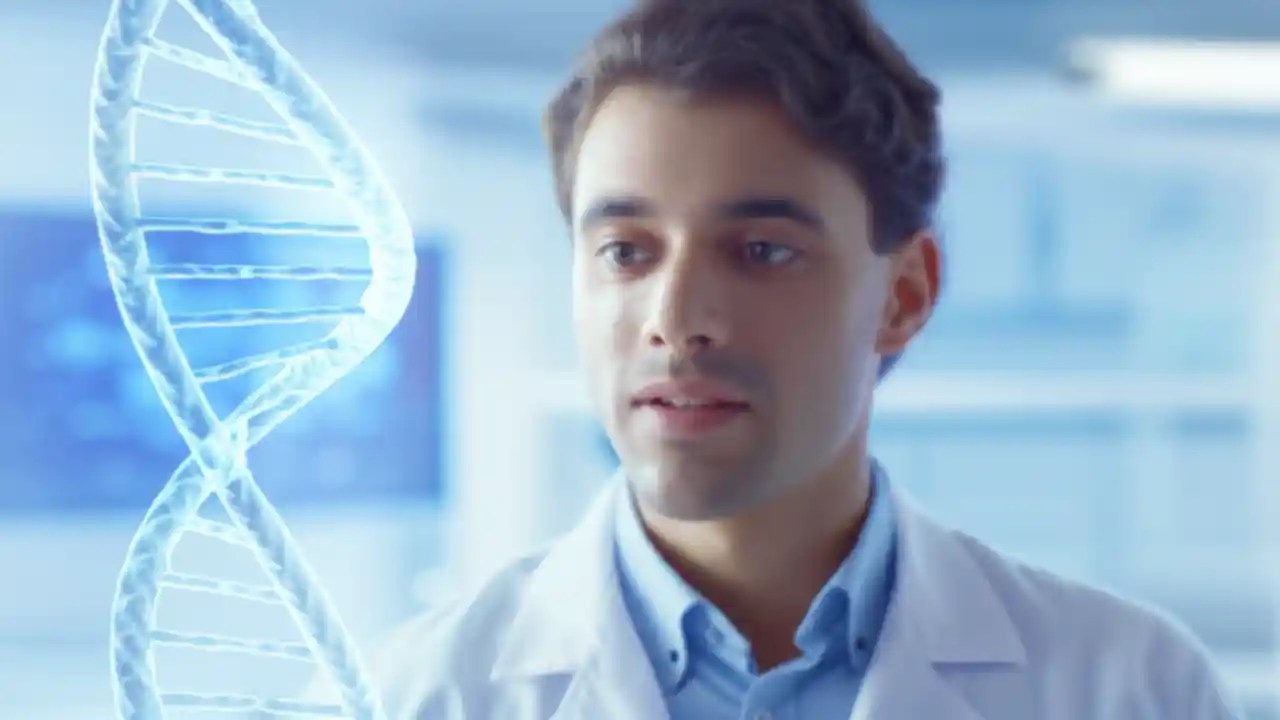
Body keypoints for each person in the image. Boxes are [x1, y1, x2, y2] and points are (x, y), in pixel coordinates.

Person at [368, 0, 1242, 717]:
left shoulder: (1133, 689)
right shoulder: (415, 696)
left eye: (759, 251)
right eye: (627, 253)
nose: (676, 322)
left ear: (903, 295)